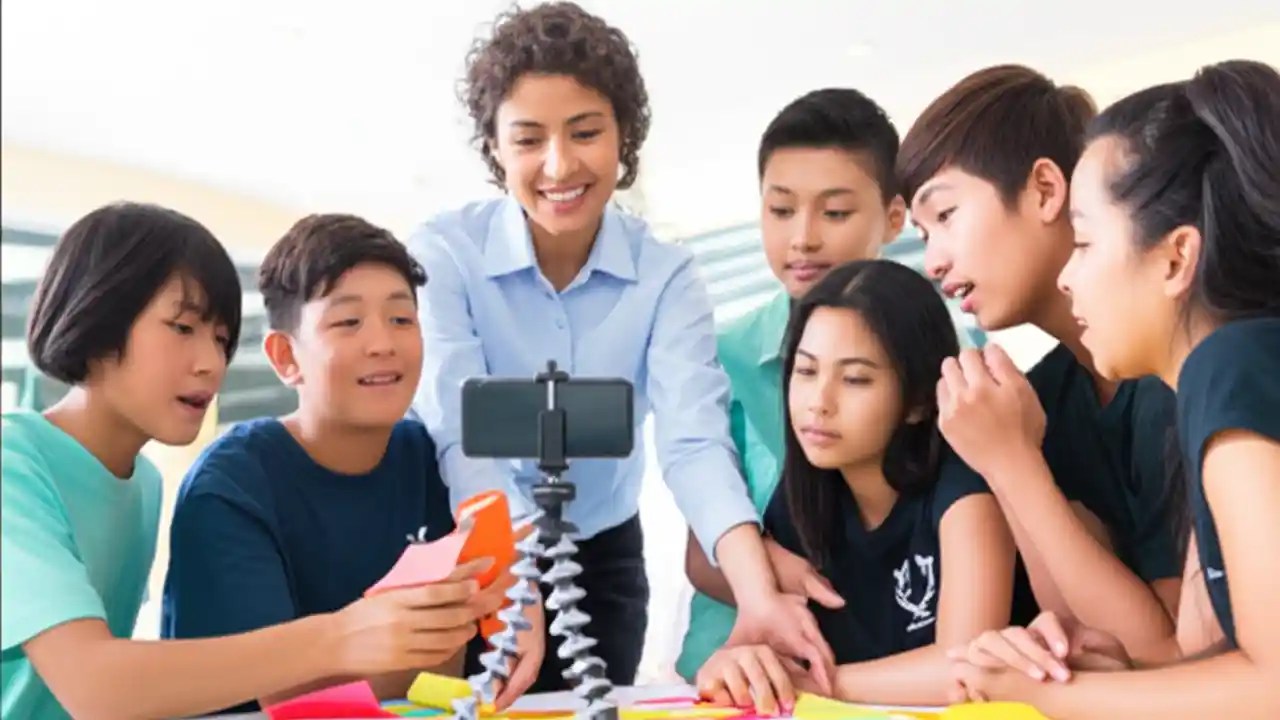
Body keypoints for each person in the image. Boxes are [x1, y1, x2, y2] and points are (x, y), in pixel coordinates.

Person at [408, 0, 832, 693]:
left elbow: (694, 442)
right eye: (527, 139)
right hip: (477, 552)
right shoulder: (445, 253)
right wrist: (512, 585)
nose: (558, 164)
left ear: (623, 137)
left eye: (584, 132)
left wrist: (755, 594)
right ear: (494, 147)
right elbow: (463, 435)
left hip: (602, 555)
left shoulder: (666, 274)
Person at [1, 203, 492, 720]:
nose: (212, 363)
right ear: (97, 317)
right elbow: (99, 690)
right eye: (182, 328)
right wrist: (345, 633)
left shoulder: (139, 482)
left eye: (220, 339)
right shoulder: (15, 466)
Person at [947, 59, 1280, 719]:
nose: (1068, 279)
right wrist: (1090, 664)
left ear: (1176, 258)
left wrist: (1049, 695)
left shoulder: (1232, 367)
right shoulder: (1214, 386)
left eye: (1084, 243)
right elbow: (1197, 656)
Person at [160, 214, 542, 713]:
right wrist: (442, 629)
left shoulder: (439, 463)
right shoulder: (232, 487)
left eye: (402, 319)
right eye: (348, 322)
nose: (383, 343)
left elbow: (457, 669)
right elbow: (272, 693)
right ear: (285, 357)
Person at [896, 64, 1184, 663]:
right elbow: (1080, 637)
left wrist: (1011, 462)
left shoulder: (1173, 371)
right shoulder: (1042, 395)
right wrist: (1005, 462)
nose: (935, 262)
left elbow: (1167, 654)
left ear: (1046, 191)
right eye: (923, 235)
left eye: (945, 216)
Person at [694, 260, 1015, 712]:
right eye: (805, 372)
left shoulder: (966, 492)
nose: (818, 403)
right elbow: (770, 652)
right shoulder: (805, 492)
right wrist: (734, 667)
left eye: (855, 379)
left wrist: (821, 684)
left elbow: (963, 669)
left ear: (919, 401)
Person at [677, 87, 910, 681]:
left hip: (891, 669)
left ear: (894, 217)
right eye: (781, 211)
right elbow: (701, 556)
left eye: (834, 213)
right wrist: (769, 570)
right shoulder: (722, 358)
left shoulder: (946, 353)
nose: (802, 238)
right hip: (735, 667)